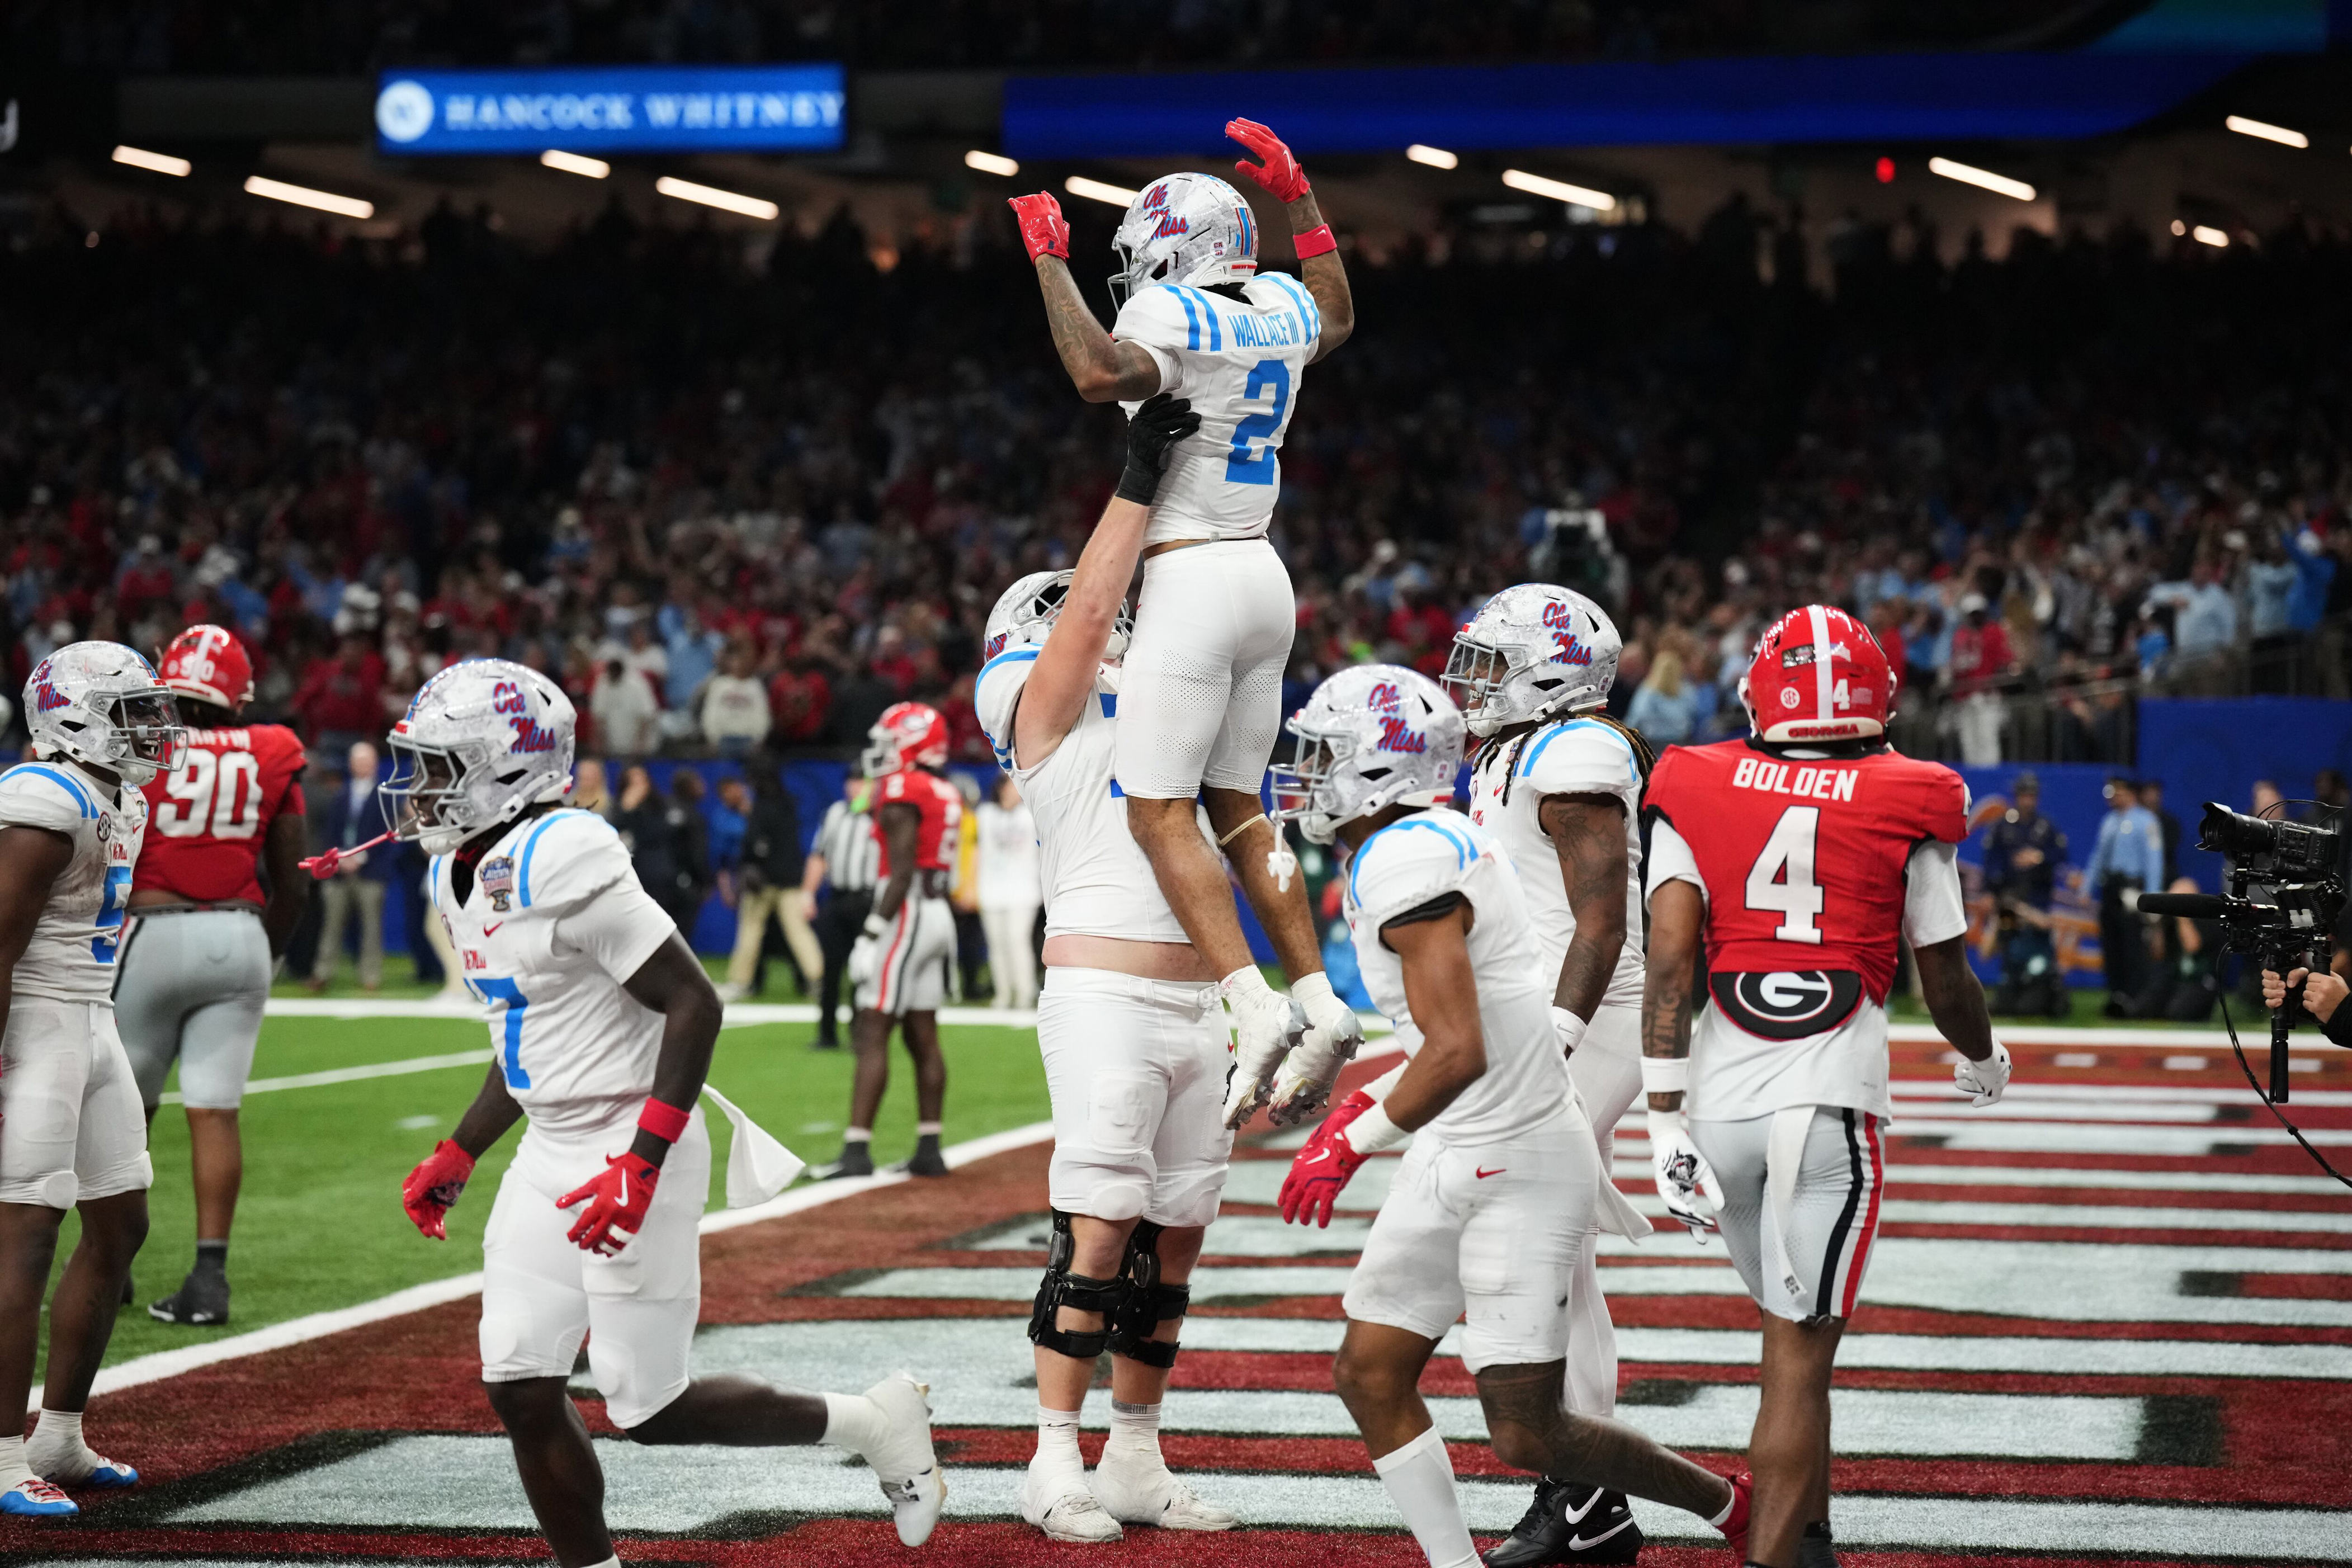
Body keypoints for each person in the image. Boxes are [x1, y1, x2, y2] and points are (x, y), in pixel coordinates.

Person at [389, 659, 946, 1564]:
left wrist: (641, 1162)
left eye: (441, 765)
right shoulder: (458, 867)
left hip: (633, 1135)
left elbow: (696, 1002)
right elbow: (527, 1036)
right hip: (552, 1144)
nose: (418, 788)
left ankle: (875, 1421)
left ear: (507, 766)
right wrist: (461, 1147)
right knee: (520, 1382)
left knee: (646, 1406)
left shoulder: (560, 850)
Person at [1268, 665, 1752, 1568]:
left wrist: (1353, 1135)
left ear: (1379, 768)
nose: (1304, 771)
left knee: (1528, 1430)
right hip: (1464, 1140)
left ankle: (1726, 1500)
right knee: (1370, 1373)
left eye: (1325, 753)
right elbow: (1447, 1042)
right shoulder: (1417, 839)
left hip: (1517, 1158)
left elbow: (1457, 1047)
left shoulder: (1410, 855)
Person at [1640, 604, 2010, 1568]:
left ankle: (1808, 1538)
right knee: (1796, 1369)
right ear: (1876, 694)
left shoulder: (1693, 777)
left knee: (1792, 1350)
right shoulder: (1914, 790)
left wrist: (1661, 1115)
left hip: (1716, 1105)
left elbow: (1671, 962)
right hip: (1825, 1107)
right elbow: (1946, 977)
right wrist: (1982, 1059)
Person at [1008, 117, 1360, 1126]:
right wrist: (1301, 201)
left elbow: (1095, 374)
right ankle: (1323, 997)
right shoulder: (1284, 304)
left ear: (1173, 250)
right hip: (1263, 570)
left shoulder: (1169, 307)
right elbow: (1334, 312)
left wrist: (1047, 266)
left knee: (1156, 808)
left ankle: (1254, 1004)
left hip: (1191, 574)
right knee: (1242, 802)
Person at [974, 394, 1245, 1540]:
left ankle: (1136, 1451)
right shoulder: (1036, 706)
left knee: (1176, 1237)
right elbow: (1085, 618)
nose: (1112, 622)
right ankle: (1053, 1457)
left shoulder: (1157, 698)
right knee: (1096, 1228)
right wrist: (1138, 485)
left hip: (1199, 998)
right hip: (1106, 997)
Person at [1444, 585, 1661, 1565]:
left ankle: (1583, 1487)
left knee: (1533, 1241)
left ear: (1552, 666)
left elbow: (1602, 921)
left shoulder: (1577, 749)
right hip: (1546, 1013)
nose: (1471, 680)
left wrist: (1556, 1035)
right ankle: (1591, 1494)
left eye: (1492, 661)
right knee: (1557, 1258)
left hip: (1598, 1010)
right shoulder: (1517, 749)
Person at [0, 643, 183, 1515]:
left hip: (91, 1015)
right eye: (133, 711)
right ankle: (1, 1458)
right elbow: (0, 937)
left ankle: (59, 1434)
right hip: (34, 1021)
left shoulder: (119, 794)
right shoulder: (44, 793)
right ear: (74, 717)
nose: (152, 727)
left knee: (121, 1223)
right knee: (24, 1237)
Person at [116, 626, 309, 1328]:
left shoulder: (143, 742)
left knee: (123, 1112)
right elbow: (293, 882)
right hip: (239, 934)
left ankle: (111, 1264)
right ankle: (208, 1276)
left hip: (153, 931)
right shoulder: (271, 747)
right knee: (216, 1109)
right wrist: (270, 952)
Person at [817, 703, 962, 1180]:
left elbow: (900, 871)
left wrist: (872, 933)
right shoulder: (944, 787)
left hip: (907, 909)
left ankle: (857, 1150)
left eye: (889, 740)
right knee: (923, 1031)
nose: (881, 751)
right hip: (936, 909)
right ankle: (929, 1147)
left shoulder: (904, 787)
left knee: (872, 1024)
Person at [721, 768, 823, 1003]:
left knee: (750, 931)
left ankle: (740, 982)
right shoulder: (789, 804)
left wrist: (748, 863)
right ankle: (819, 981)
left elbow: (751, 844)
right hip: (790, 879)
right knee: (799, 932)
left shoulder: (760, 807)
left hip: (763, 883)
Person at [1981, 771, 2069, 1019]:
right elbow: (1992, 861)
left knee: (2037, 938)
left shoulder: (2045, 827)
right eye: (2024, 796)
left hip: (2037, 900)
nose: (2028, 801)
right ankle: (2009, 984)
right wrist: (1990, 891)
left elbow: (2060, 856)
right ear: (2016, 797)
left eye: (2032, 796)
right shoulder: (2003, 826)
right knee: (2008, 940)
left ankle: (2045, 984)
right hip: (2010, 899)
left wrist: (2039, 857)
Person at [802, 774, 880, 1051]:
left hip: (868, 900)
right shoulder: (835, 813)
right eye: (850, 781)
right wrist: (808, 892)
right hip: (838, 898)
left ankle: (860, 1033)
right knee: (831, 968)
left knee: (864, 971)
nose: (853, 787)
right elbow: (818, 855)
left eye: (860, 781)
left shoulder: (881, 815)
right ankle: (827, 1033)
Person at [307, 739, 389, 991]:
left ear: (374, 764)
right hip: (340, 871)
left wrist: (362, 857)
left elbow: (387, 835)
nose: (362, 766)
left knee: (371, 928)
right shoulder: (340, 794)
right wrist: (339, 857)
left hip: (371, 871)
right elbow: (330, 831)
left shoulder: (385, 797)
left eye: (367, 761)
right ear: (351, 764)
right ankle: (322, 973)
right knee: (330, 926)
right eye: (358, 761)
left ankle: (370, 976)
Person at [2084, 776, 2164, 1017]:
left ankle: (2135, 996)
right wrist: (2087, 888)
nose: (2114, 797)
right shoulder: (2109, 821)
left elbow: (2153, 861)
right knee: (2111, 943)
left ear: (2130, 793)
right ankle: (2116, 993)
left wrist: (2152, 897)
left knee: (2132, 943)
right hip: (2110, 888)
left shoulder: (2146, 821)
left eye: (2118, 792)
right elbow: (2099, 856)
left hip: (2132, 889)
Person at [976, 773, 1042, 1010]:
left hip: (1024, 890)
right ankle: (1003, 993)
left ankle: (1025, 992)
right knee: (997, 944)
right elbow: (976, 851)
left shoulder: (1031, 815)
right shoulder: (985, 815)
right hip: (991, 889)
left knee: (1018, 941)